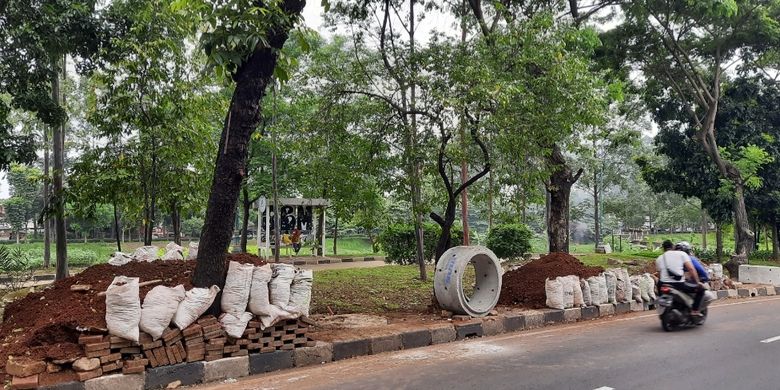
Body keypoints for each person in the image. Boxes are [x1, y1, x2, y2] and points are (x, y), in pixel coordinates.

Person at [655, 239, 705, 317]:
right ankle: (695, 311)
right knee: (701, 289)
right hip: (678, 284)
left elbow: (660, 274)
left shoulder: (659, 258)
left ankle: (663, 308)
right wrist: (697, 282)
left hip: (663, 284)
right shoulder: (681, 254)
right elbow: (691, 269)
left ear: (663, 249)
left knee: (659, 288)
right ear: (672, 246)